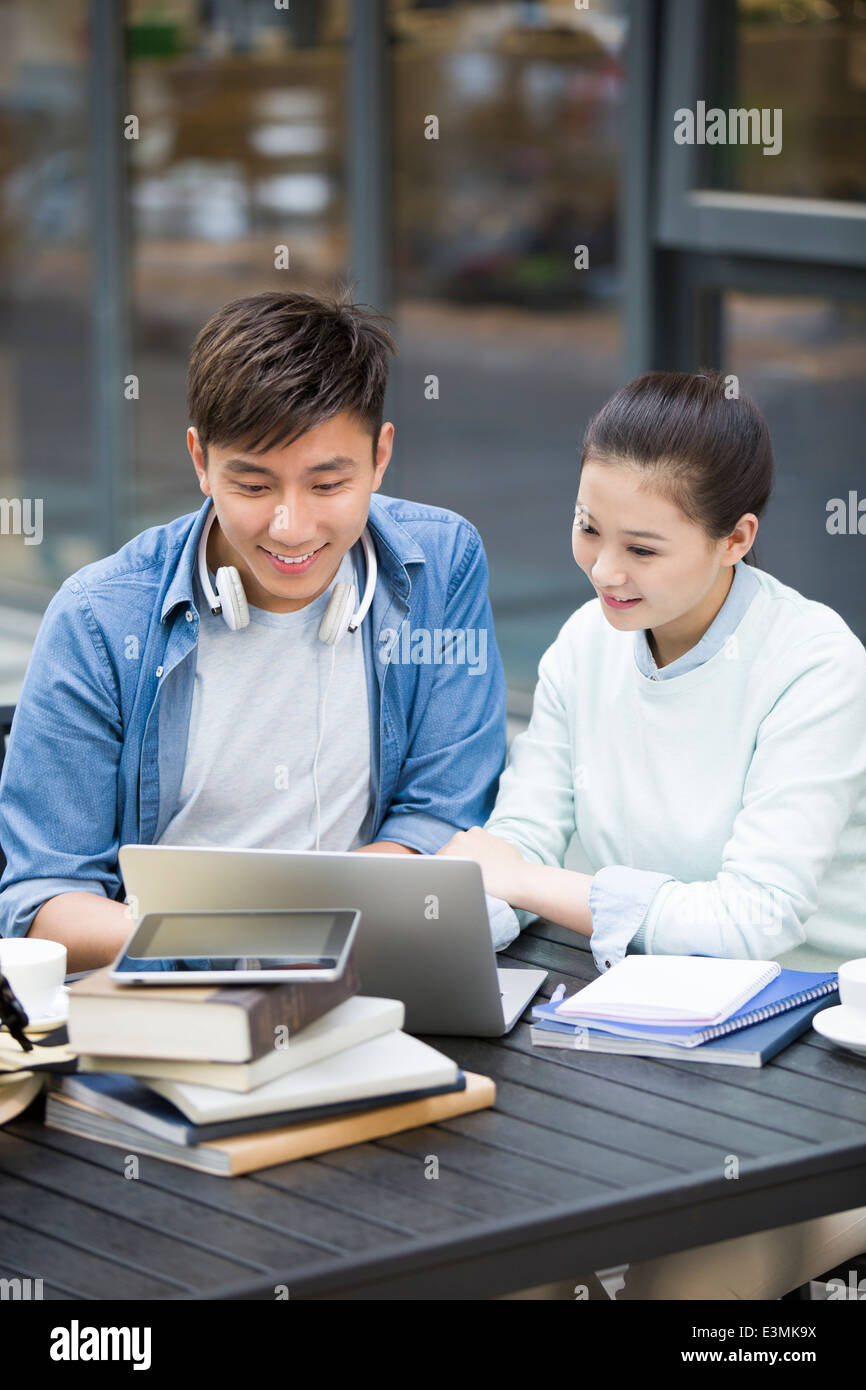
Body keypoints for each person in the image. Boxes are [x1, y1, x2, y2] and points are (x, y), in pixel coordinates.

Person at [439, 369, 866, 1299]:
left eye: (641, 546)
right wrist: (451, 918)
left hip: (815, 1057)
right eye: (589, 528)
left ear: (734, 540)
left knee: (686, 1285)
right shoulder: (586, 642)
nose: (603, 571)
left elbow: (755, 921)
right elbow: (523, 836)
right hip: (629, 1028)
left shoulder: (816, 663)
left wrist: (524, 887)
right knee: (501, 1259)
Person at [0, 290, 507, 972]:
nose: (292, 528)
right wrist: (238, 941)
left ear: (381, 458)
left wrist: (325, 931)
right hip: (166, 980)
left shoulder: (442, 566)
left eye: (328, 486)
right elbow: (44, 899)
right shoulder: (98, 618)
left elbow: (445, 809)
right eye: (254, 486)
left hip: (370, 969)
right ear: (200, 461)